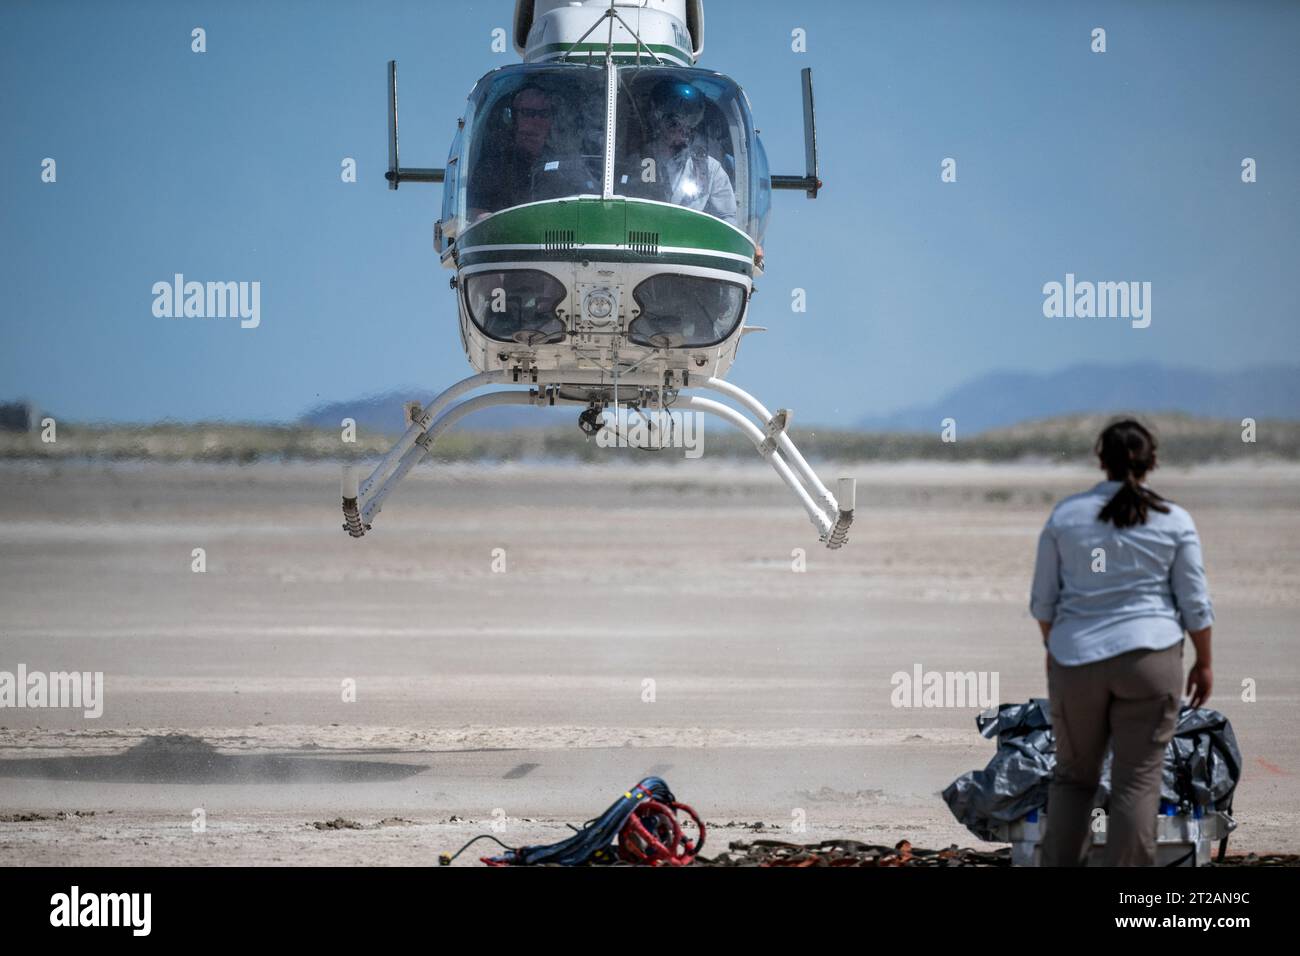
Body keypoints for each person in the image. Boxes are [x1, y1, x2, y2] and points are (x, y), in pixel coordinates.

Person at [1030, 418, 1214, 866]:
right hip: (1150, 658)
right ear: (1152, 462)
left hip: (1076, 658)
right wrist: (1203, 662)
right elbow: (1195, 603)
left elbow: (1043, 605)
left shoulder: (1066, 516)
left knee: (1073, 780)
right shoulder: (1174, 520)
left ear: (1101, 460)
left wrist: (1063, 654)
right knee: (1137, 783)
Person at [636, 79, 738, 225]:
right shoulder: (636, 162)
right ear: (658, 121)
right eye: (673, 121)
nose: (681, 129)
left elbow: (728, 219)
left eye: (689, 121)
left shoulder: (710, 169)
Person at [467, 86, 556, 220]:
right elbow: (476, 214)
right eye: (528, 113)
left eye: (543, 114)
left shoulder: (566, 165)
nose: (536, 121)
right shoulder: (492, 167)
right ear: (513, 118)